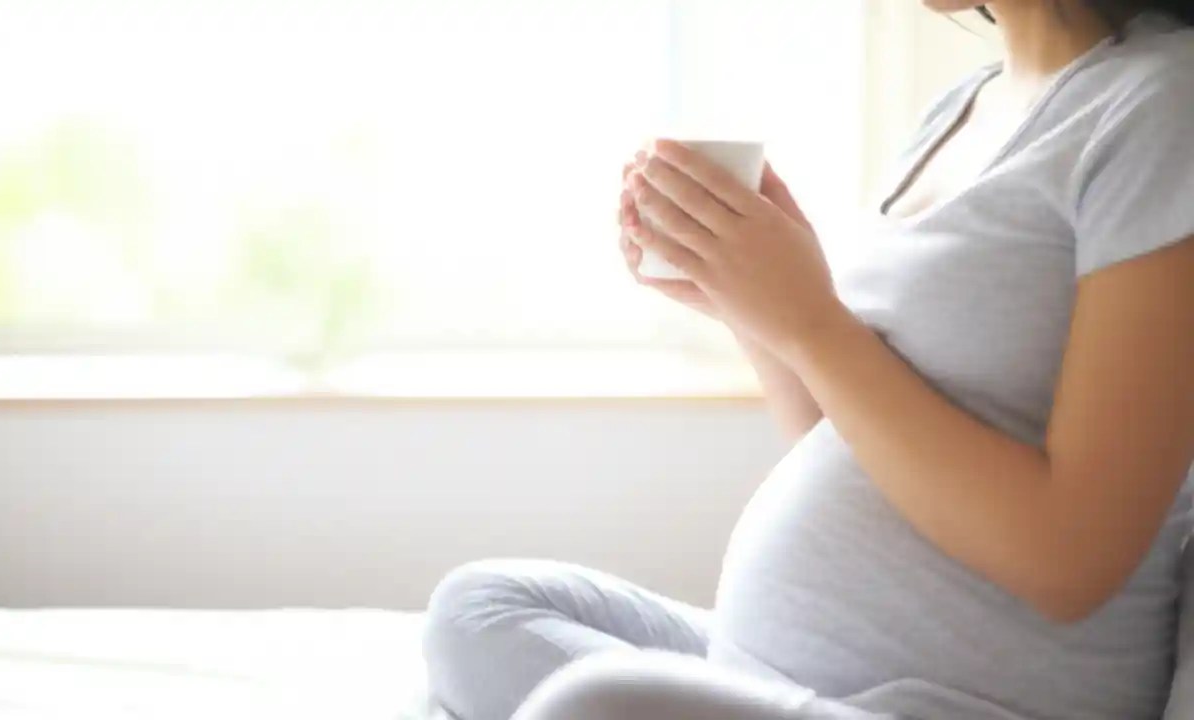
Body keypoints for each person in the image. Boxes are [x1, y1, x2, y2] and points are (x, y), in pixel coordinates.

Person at [422, 1, 1194, 718]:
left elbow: (1073, 559)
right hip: (789, 679)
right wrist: (748, 305)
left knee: (590, 704)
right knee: (481, 609)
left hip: (941, 704)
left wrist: (810, 321)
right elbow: (853, 445)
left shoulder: (1161, 105)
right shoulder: (963, 108)